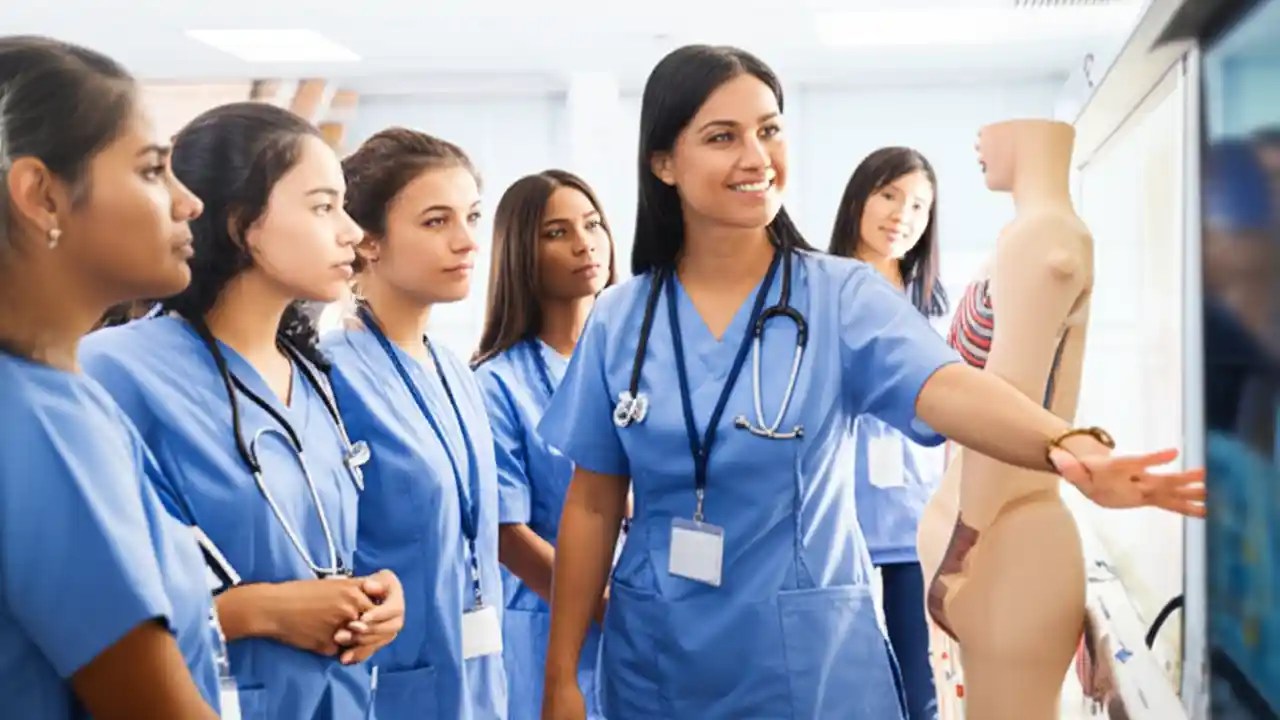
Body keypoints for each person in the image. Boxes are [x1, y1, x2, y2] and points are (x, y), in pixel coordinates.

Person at [537, 44, 1206, 720]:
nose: (757, 156)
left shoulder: (838, 296)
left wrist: (1065, 444)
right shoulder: (621, 319)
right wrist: (561, 675)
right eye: (722, 137)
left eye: (769, 129)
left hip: (812, 667)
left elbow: (948, 387)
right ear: (663, 162)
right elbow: (592, 502)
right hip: (656, 663)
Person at [81, 102, 404, 720]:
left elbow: (317, 552)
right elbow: (78, 600)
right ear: (241, 226)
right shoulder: (115, 372)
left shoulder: (312, 377)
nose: (351, 232)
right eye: (322, 207)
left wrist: (375, 600)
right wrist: (258, 613)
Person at [0, 35, 219, 718]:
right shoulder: (38, 423)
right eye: (153, 171)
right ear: (42, 196)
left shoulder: (58, 398)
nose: (189, 203)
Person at [322, 127, 507, 719]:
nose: (467, 241)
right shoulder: (329, 375)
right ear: (369, 241)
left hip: (479, 673)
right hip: (387, 683)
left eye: (471, 217)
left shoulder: (454, 371)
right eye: (436, 221)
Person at [471, 170, 619, 720]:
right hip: (550, 620)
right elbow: (507, 536)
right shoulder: (496, 384)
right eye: (557, 232)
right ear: (520, 253)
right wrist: (606, 609)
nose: (585, 243)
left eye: (593, 224)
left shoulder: (638, 364)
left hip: (651, 618)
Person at [827, 146, 947, 720]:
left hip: (912, 517)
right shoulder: (819, 289)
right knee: (837, 679)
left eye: (919, 206)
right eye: (889, 195)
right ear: (859, 198)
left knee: (920, 686)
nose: (903, 215)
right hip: (835, 515)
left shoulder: (933, 301)